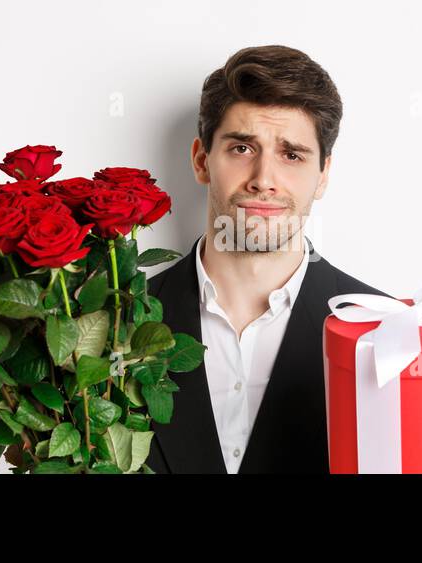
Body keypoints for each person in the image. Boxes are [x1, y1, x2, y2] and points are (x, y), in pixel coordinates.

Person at [145, 45, 388, 474]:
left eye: (291, 155)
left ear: (323, 175)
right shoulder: (117, 319)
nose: (263, 180)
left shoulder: (385, 334)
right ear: (202, 161)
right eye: (242, 149)